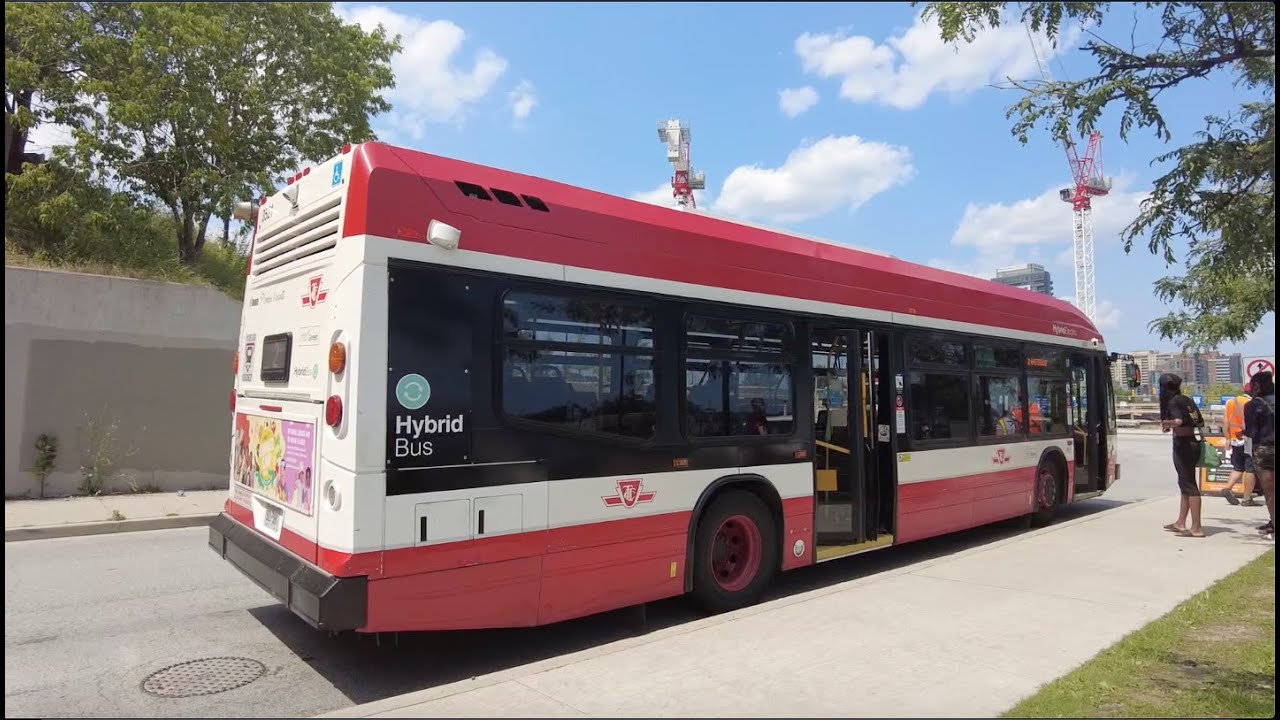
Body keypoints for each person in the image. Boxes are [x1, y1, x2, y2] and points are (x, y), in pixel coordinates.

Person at [1159, 373, 1206, 538]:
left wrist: (1166, 423)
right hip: (1193, 442)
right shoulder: (1186, 399)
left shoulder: (1172, 402)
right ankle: (1180, 522)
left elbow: (1178, 421)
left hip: (1183, 445)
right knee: (1185, 483)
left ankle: (1196, 527)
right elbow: (1200, 421)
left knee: (1190, 485)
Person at [1243, 371, 1275, 539]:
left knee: (1270, 490)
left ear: (1256, 386)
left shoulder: (1254, 405)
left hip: (1264, 449)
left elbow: (1251, 431)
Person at [1220, 382, 1259, 506]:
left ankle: (1227, 487)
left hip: (1234, 439)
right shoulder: (1253, 403)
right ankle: (1247, 498)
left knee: (1238, 467)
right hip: (1248, 439)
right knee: (1250, 469)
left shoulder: (1231, 402)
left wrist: (1227, 438)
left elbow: (1225, 422)